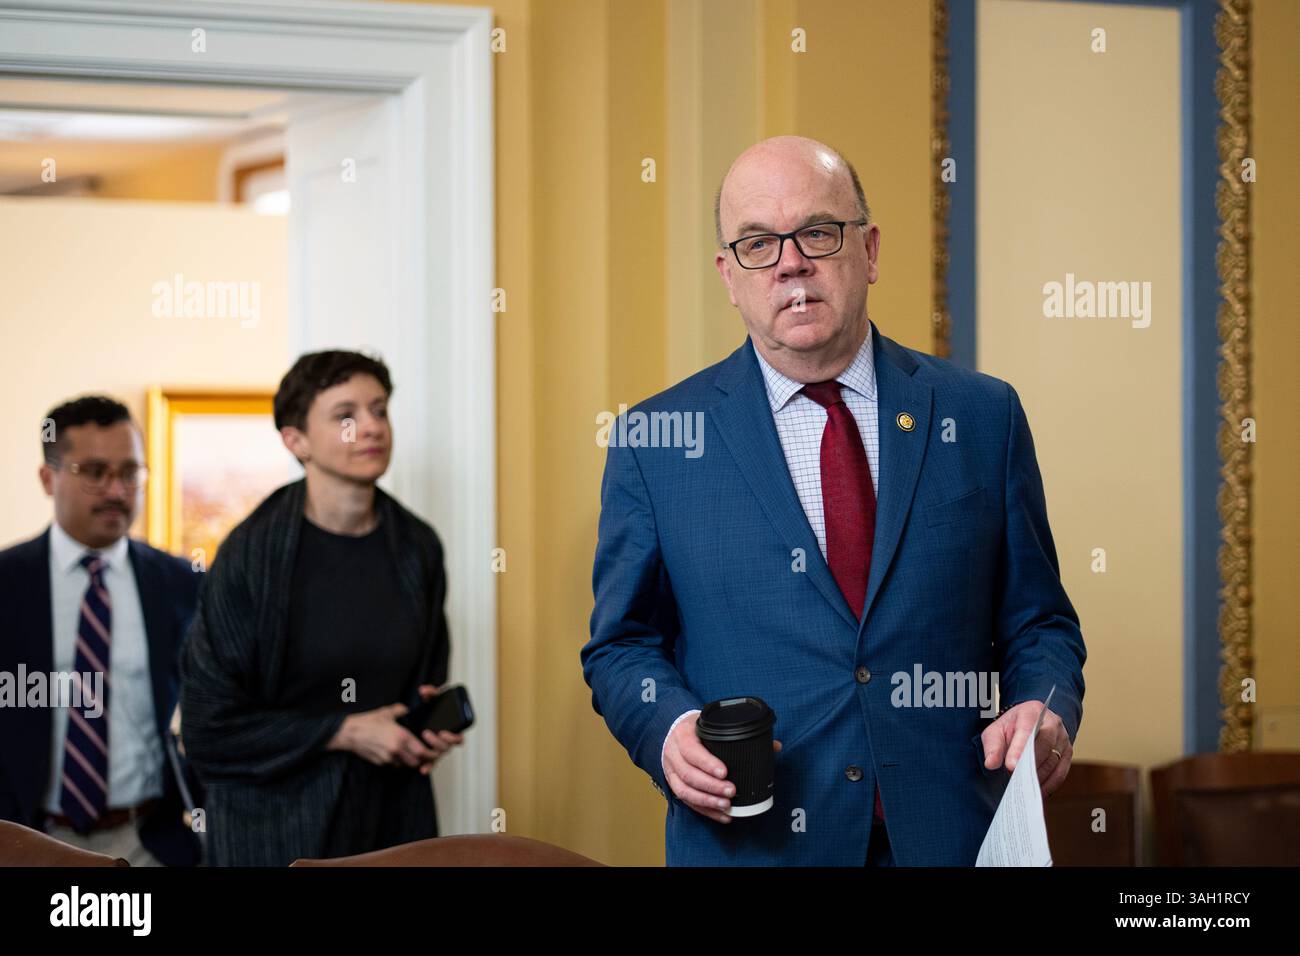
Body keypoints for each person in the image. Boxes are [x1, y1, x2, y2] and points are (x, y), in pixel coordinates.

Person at [582, 136, 1086, 866]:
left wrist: (1045, 705)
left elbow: (1040, 621)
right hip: (755, 846)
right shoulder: (657, 440)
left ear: (870, 251)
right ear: (729, 275)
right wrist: (670, 729)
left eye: (818, 231)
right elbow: (621, 644)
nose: (791, 261)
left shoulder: (983, 416)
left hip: (952, 839)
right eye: (758, 242)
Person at [180, 350, 464, 866]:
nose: (373, 427)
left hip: (392, 826)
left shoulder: (418, 546)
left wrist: (423, 725)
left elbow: (424, 680)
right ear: (296, 441)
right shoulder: (250, 556)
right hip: (272, 832)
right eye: (346, 415)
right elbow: (208, 730)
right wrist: (345, 731)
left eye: (380, 409)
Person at [0, 396, 201, 866]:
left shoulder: (181, 584)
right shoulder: (6, 583)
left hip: (150, 842)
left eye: (130, 473)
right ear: (48, 478)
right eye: (94, 472)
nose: (116, 490)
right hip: (27, 841)